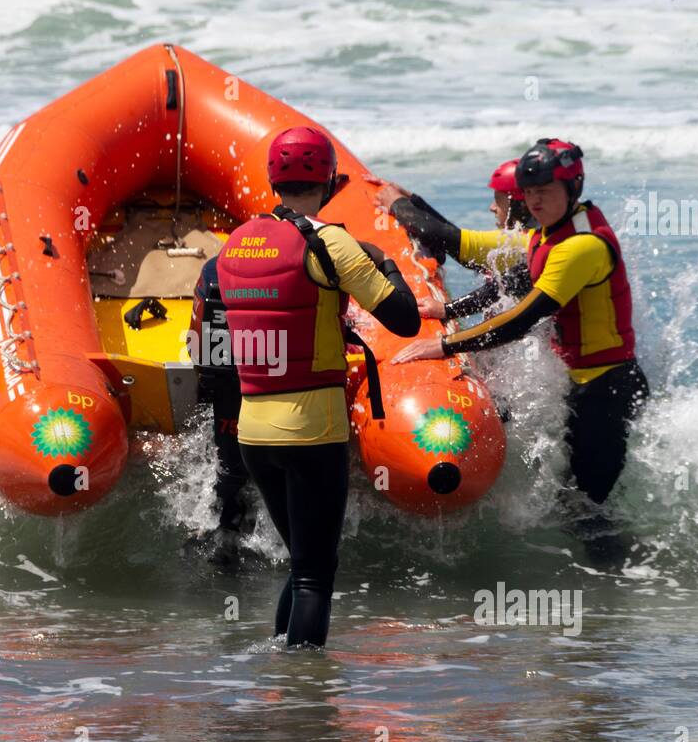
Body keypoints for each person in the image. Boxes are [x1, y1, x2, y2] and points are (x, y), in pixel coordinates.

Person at [217, 127, 420, 647]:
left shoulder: (238, 242)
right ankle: (304, 697)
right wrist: (386, 262)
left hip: (254, 431)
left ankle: (282, 668)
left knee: (301, 563)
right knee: (315, 575)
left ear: (273, 179)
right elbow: (403, 320)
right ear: (329, 180)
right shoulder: (329, 242)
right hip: (312, 429)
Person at [383, 139, 649, 508]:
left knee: (588, 511)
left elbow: (523, 318)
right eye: (528, 192)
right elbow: (515, 281)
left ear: (573, 188)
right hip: (585, 384)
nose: (535, 201)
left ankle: (622, 565)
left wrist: (446, 345)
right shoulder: (551, 230)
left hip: (607, 389)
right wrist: (449, 311)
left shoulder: (580, 246)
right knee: (573, 502)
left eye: (544, 191)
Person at [369, 159, 534, 324]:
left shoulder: (522, 242)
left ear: (518, 205)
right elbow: (454, 238)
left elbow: (439, 234)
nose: (492, 207)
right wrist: (411, 200)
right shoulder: (529, 237)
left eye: (498, 200)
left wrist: (397, 203)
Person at [188, 254, 254, 555]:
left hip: (224, 379)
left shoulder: (219, 267)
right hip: (262, 377)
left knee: (229, 468)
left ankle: (218, 531)